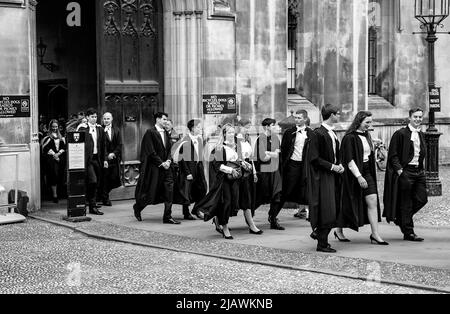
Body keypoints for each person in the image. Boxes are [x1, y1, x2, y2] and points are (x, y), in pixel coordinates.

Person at [336, 111, 388, 245]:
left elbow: (366, 153)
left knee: (372, 200)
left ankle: (375, 234)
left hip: (366, 171)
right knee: (348, 201)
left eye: (371, 122)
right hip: (353, 174)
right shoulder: (349, 138)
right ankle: (338, 230)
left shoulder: (367, 136)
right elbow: (349, 160)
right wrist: (359, 177)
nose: (369, 125)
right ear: (359, 122)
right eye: (367, 123)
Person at [193, 124, 245, 240]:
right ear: (225, 134)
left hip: (234, 180)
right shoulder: (219, 148)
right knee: (225, 203)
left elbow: (235, 161)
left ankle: (218, 219)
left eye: (233, 132)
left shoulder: (235, 147)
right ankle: (225, 228)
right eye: (230, 132)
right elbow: (217, 165)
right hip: (223, 180)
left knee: (231, 203)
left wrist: (242, 164)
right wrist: (231, 170)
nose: (232, 134)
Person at [383, 108, 428, 242]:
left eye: (420, 117)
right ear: (410, 117)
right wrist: (400, 171)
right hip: (406, 171)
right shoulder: (400, 133)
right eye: (415, 117)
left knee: (422, 198)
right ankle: (409, 232)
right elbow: (393, 154)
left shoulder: (421, 134)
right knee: (406, 202)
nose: (418, 119)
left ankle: (401, 218)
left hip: (419, 172)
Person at [133, 112, 180, 224]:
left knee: (169, 192)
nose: (166, 121)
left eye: (166, 119)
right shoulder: (150, 132)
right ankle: (138, 207)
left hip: (167, 168)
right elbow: (150, 151)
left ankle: (167, 217)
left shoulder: (166, 133)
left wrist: (168, 160)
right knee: (151, 191)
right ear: (158, 119)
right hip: (155, 168)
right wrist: (161, 163)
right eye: (164, 119)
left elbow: (170, 149)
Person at [309, 104, 344, 253]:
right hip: (323, 176)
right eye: (338, 114)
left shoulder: (331, 133)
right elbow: (314, 158)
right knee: (327, 209)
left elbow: (335, 153)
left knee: (334, 208)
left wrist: (339, 164)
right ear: (331, 115)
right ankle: (321, 243)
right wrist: (332, 167)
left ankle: (320, 236)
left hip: (333, 175)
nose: (340, 116)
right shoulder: (318, 133)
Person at [278, 110, 314, 230]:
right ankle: (273, 216)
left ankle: (310, 214)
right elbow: (284, 150)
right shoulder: (289, 132)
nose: (297, 120)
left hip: (305, 166)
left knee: (307, 190)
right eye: (296, 118)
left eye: (299, 118)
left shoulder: (311, 133)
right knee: (285, 190)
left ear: (305, 119)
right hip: (292, 165)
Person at [174, 119, 207, 220]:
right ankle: (186, 213)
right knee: (187, 192)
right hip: (188, 170)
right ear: (192, 128)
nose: (200, 129)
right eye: (198, 127)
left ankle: (196, 209)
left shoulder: (200, 139)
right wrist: (187, 173)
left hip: (198, 169)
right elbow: (182, 159)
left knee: (202, 189)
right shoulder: (185, 140)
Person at [254, 118, 283, 230]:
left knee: (277, 195)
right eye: (273, 125)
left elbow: (278, 154)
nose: (275, 127)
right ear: (267, 127)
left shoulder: (275, 138)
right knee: (261, 197)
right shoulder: (260, 139)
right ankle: (249, 215)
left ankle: (273, 218)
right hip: (264, 172)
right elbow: (263, 158)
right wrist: (272, 153)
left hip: (275, 171)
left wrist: (269, 153)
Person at [235, 119, 263, 235]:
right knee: (236, 199)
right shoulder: (236, 139)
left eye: (249, 127)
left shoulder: (248, 139)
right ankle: (219, 220)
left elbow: (251, 158)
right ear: (240, 126)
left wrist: (255, 172)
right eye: (246, 127)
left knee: (247, 199)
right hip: (239, 169)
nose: (248, 129)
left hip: (248, 170)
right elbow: (236, 156)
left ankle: (251, 225)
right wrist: (242, 164)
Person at [77, 108, 106, 215]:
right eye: (92, 117)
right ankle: (91, 205)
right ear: (87, 117)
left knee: (96, 182)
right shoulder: (83, 128)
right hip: (87, 160)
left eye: (95, 117)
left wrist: (105, 159)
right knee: (92, 180)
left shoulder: (100, 129)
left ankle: (91, 204)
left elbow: (103, 146)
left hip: (97, 159)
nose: (94, 119)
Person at [41, 119, 66, 203]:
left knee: (60, 175)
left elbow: (63, 147)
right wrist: (54, 154)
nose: (55, 128)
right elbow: (45, 148)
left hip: (60, 159)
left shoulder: (60, 136)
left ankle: (59, 193)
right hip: (51, 159)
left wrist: (58, 154)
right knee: (53, 176)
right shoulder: (47, 136)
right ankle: (54, 195)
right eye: (53, 127)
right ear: (50, 127)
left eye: (56, 126)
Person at [101, 112, 122, 207]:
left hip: (114, 158)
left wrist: (113, 153)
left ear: (112, 119)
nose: (106, 120)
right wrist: (106, 156)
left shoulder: (116, 130)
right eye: (104, 118)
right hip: (104, 159)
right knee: (105, 179)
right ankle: (105, 198)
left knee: (114, 178)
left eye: (108, 118)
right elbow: (101, 146)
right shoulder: (100, 129)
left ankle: (103, 194)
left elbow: (120, 144)